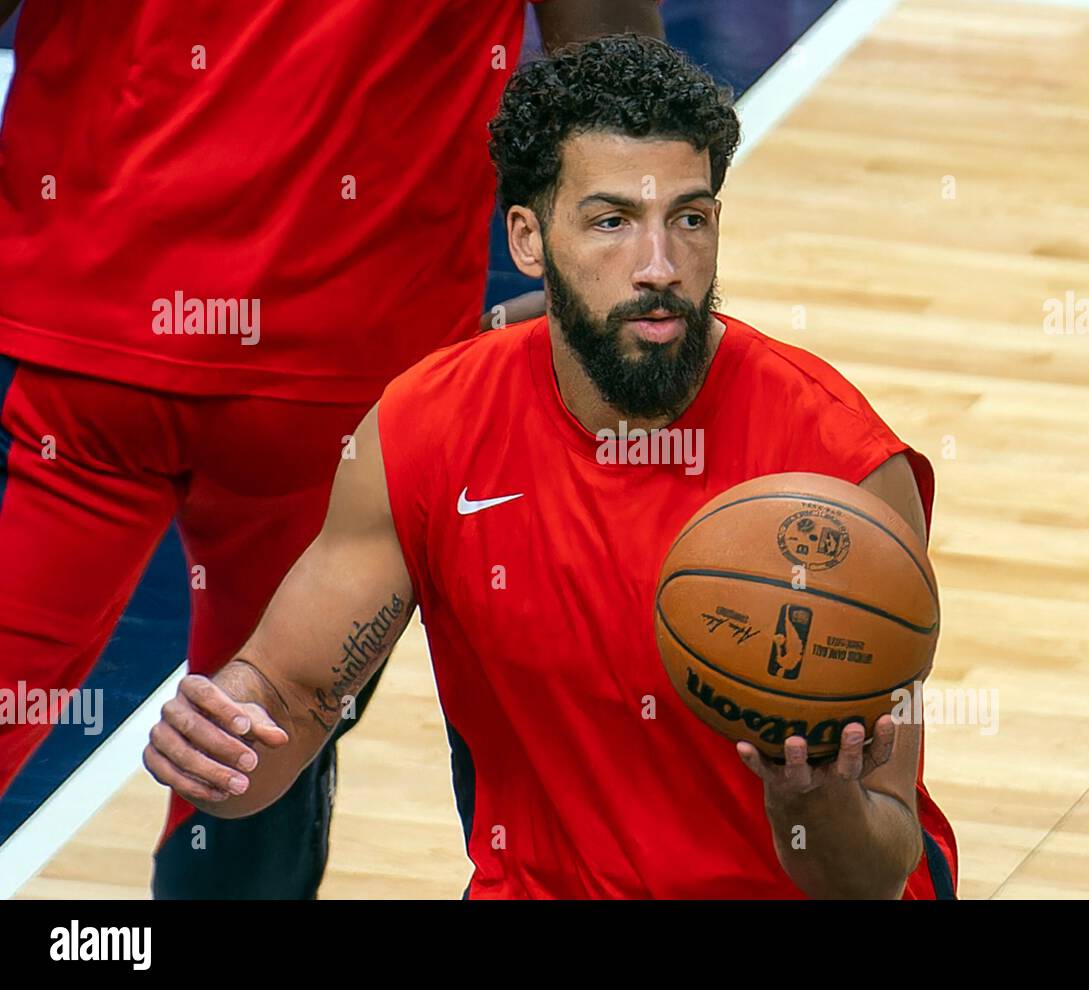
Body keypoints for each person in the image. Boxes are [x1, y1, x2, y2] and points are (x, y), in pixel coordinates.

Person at [141, 34, 958, 899]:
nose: (660, 267)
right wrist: (220, 741)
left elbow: (874, 870)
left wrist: (817, 804)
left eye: (690, 219)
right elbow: (292, 697)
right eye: (612, 222)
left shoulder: (838, 467)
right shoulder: (426, 427)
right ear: (528, 239)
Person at [0, 0, 663, 898]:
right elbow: (617, 77)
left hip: (89, 334)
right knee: (258, 745)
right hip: (346, 367)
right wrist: (625, 296)